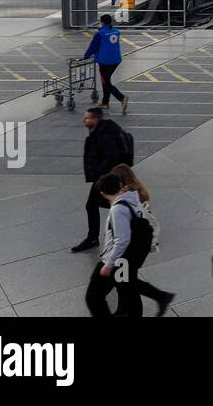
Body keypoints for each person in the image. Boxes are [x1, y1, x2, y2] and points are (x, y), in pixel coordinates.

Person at [106, 164, 175, 315]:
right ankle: (125, 307)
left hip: (130, 248)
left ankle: (159, 297)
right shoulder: (137, 193)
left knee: (126, 281)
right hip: (136, 248)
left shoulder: (128, 198)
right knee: (123, 279)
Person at [85, 173, 152, 318]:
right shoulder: (133, 199)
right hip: (130, 257)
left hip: (117, 259)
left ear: (103, 193)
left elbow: (122, 240)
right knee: (130, 293)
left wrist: (108, 264)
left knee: (93, 296)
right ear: (121, 185)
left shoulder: (118, 209)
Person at [72, 106, 127, 253]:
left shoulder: (104, 135)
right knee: (103, 204)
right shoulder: (100, 131)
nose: (84, 120)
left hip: (105, 177)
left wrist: (100, 175)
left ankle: (93, 238)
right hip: (105, 176)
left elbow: (110, 156)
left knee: (92, 205)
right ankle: (132, 218)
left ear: (96, 119)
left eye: (87, 118)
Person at [83, 14, 127, 113]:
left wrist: (86, 56)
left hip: (105, 61)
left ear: (102, 22)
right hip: (116, 60)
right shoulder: (116, 31)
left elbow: (93, 47)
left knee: (106, 82)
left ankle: (122, 98)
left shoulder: (100, 33)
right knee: (106, 80)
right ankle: (105, 102)